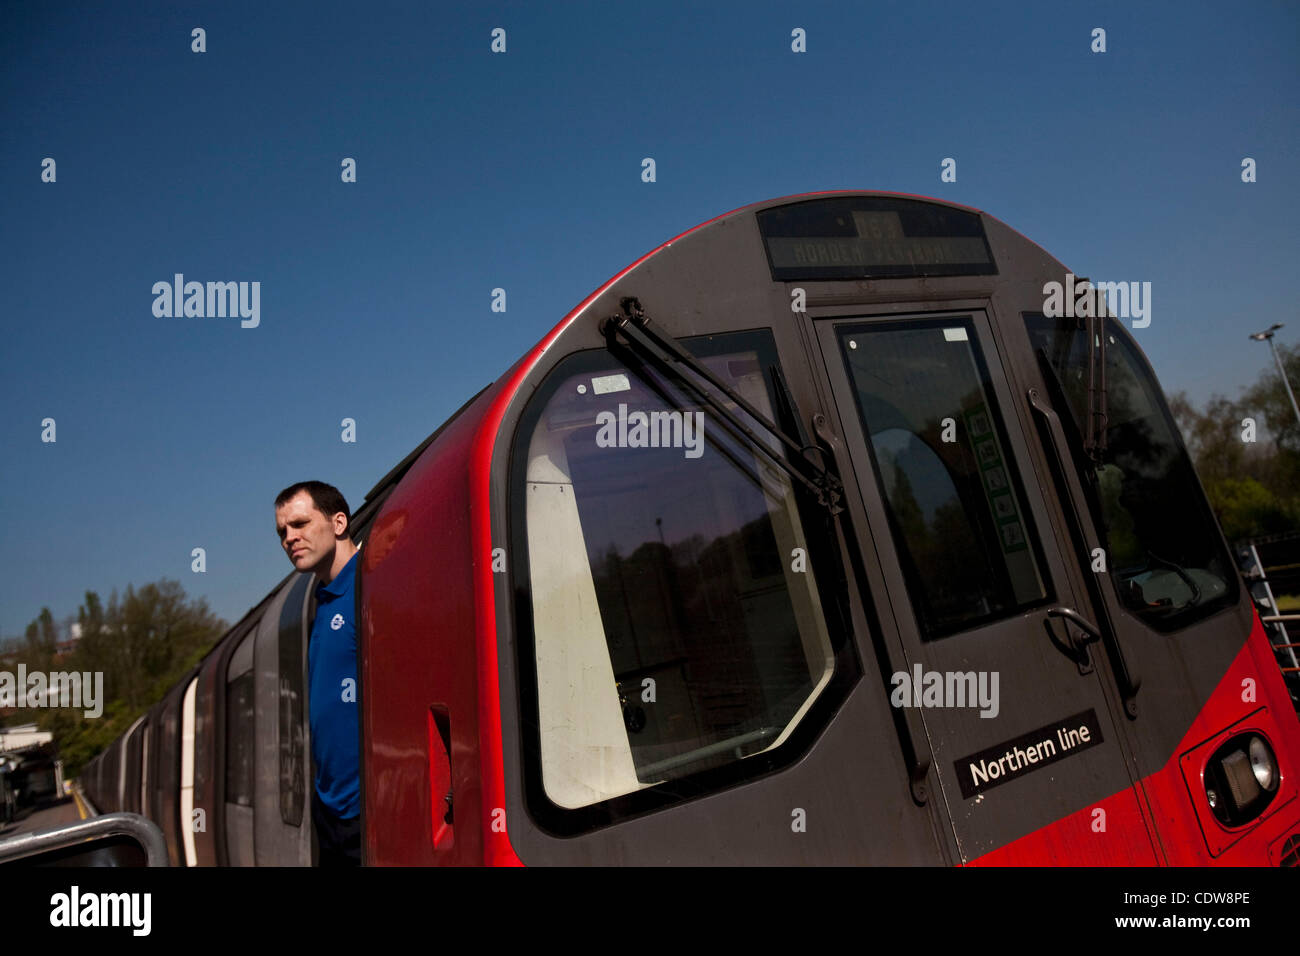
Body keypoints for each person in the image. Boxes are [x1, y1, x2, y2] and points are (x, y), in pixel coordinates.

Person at [274, 481, 361, 866]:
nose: (289, 538)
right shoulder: (322, 601)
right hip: (330, 810)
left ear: (338, 522)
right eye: (282, 532)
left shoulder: (371, 582)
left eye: (300, 524)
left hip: (368, 808)